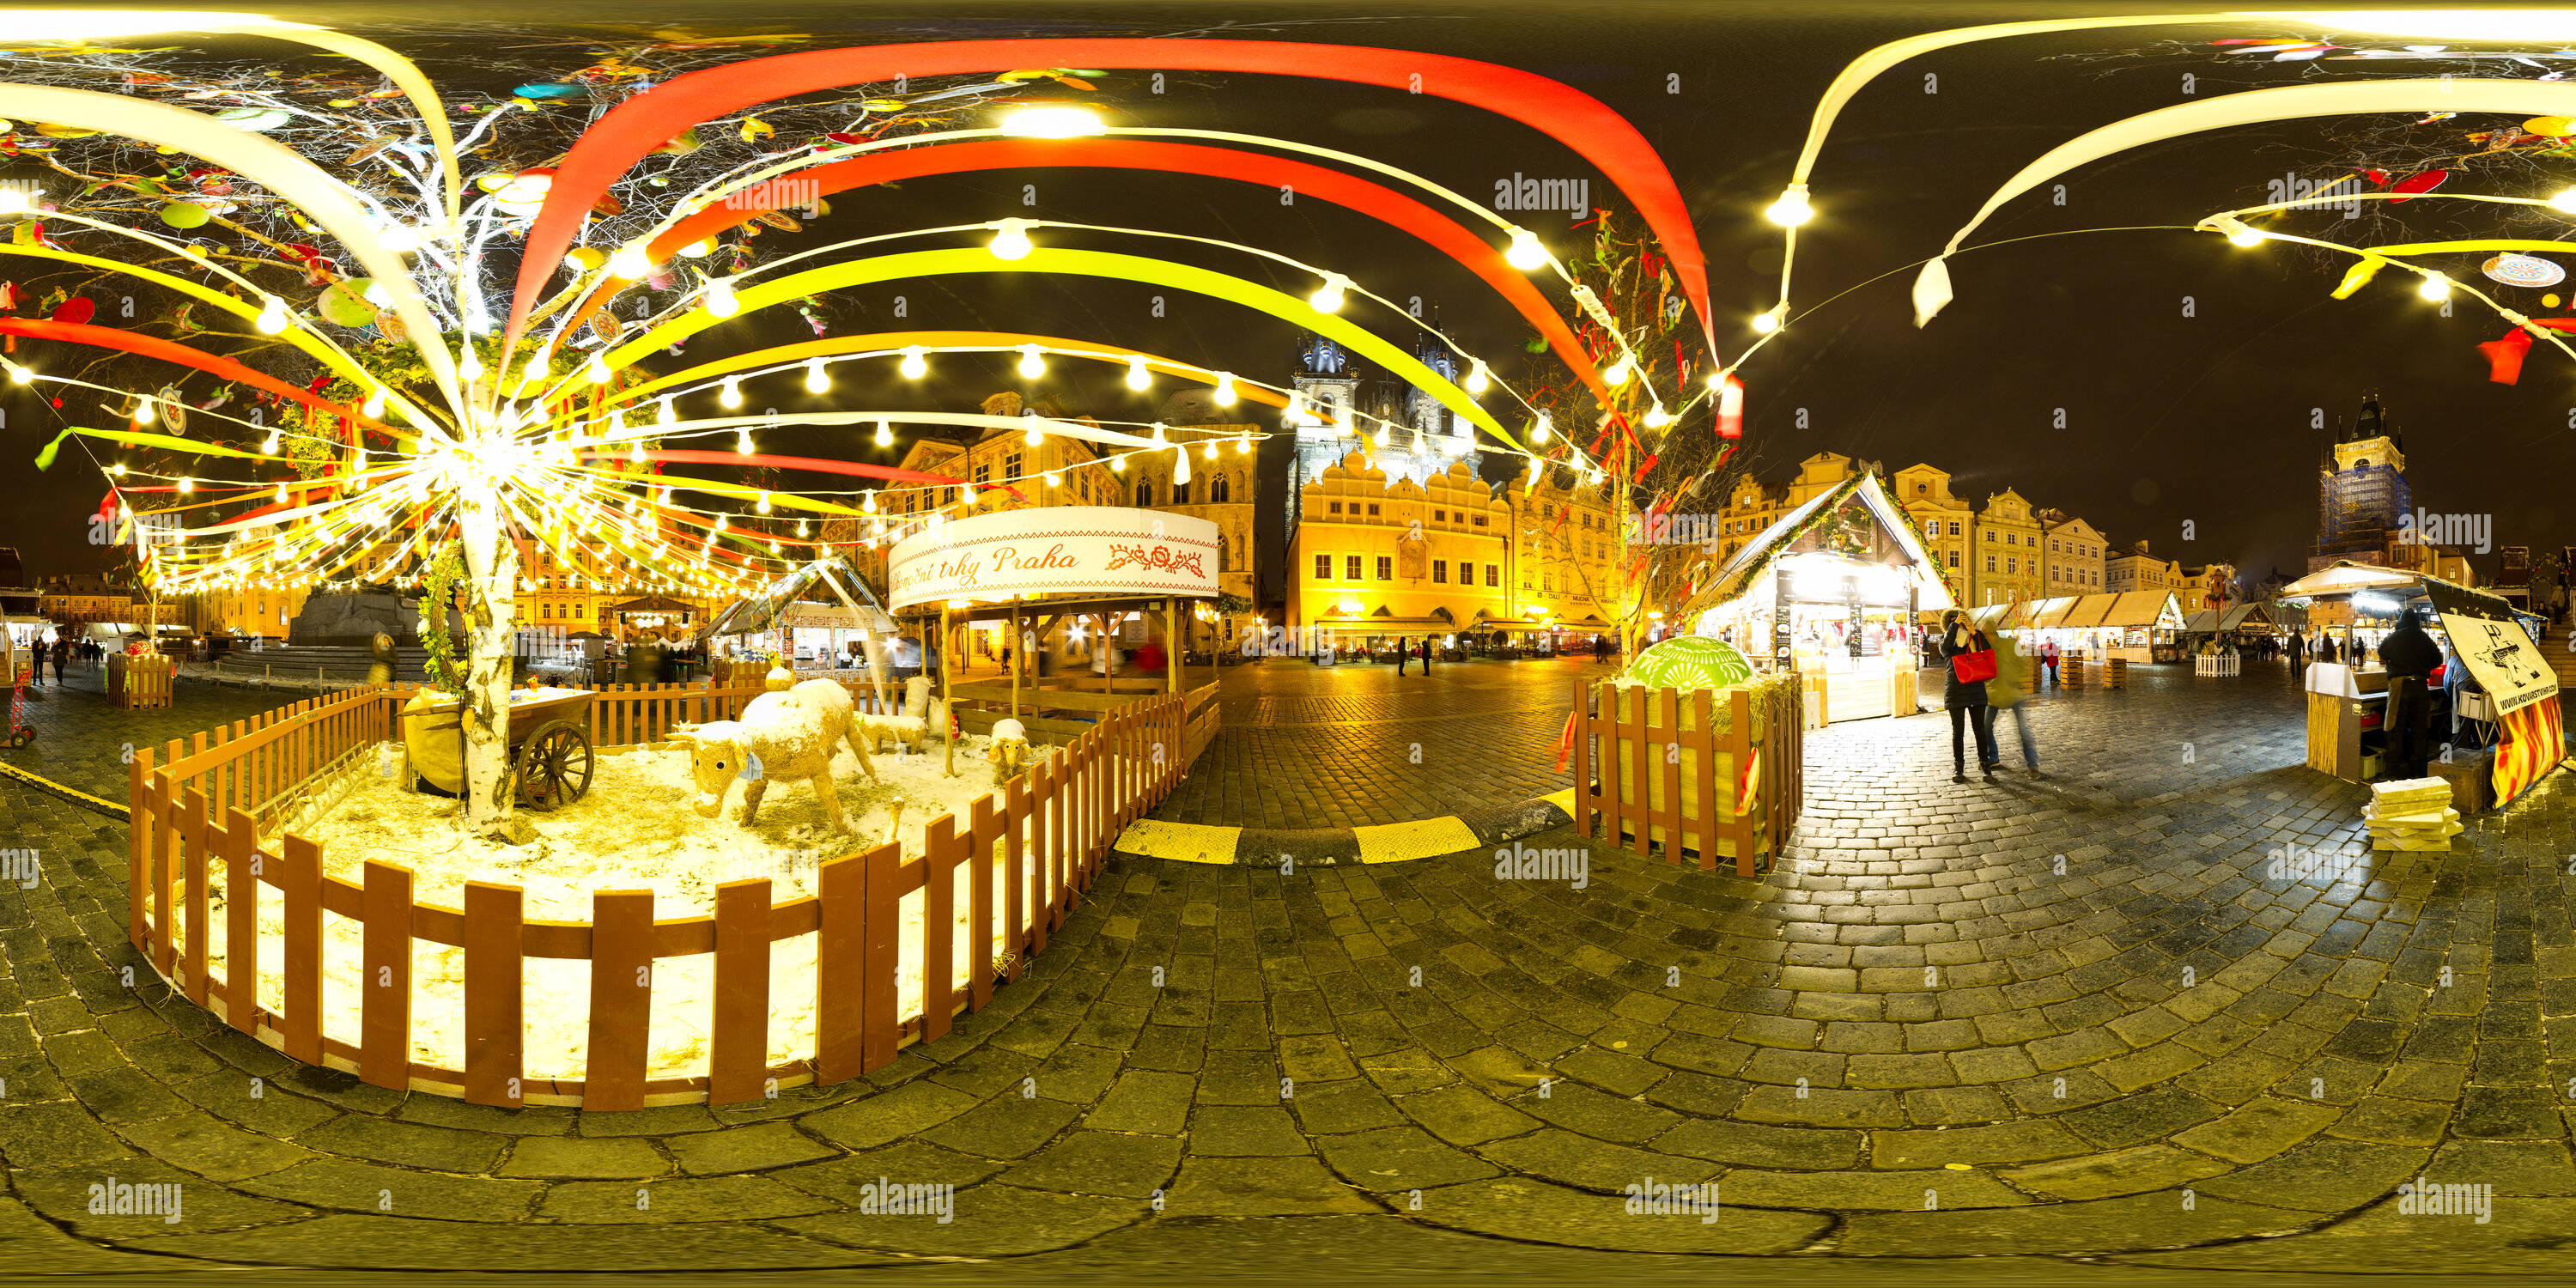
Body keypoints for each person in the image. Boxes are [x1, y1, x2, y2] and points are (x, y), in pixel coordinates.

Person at [1935, 609, 2001, 783]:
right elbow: (1945, 650)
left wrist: (1973, 631)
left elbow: (1987, 652)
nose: (1957, 621)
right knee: (1958, 732)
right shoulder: (1946, 639)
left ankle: (1986, 767)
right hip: (1955, 690)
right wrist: (1955, 626)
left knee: (1980, 731)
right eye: (1953, 620)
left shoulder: (1975, 636)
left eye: (1960, 619)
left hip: (1976, 688)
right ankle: (1959, 768)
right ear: (1948, 623)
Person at [2379, 608, 2441, 778]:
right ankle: (2418, 773)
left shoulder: (2394, 637)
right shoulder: (2424, 638)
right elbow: (2438, 659)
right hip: (2420, 687)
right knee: (2420, 731)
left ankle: (2392, 773)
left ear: (2401, 621)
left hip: (2400, 687)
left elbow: (2381, 651)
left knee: (2394, 730)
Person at [1989, 631, 2044, 778]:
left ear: (1992, 632)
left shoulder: (2010, 644)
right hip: (1993, 695)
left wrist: (2013, 678)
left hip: (2013, 693)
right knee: (1985, 727)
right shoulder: (1986, 647)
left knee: (2023, 731)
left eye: (1987, 633)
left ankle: (2033, 765)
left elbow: (2024, 661)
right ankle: (1993, 758)